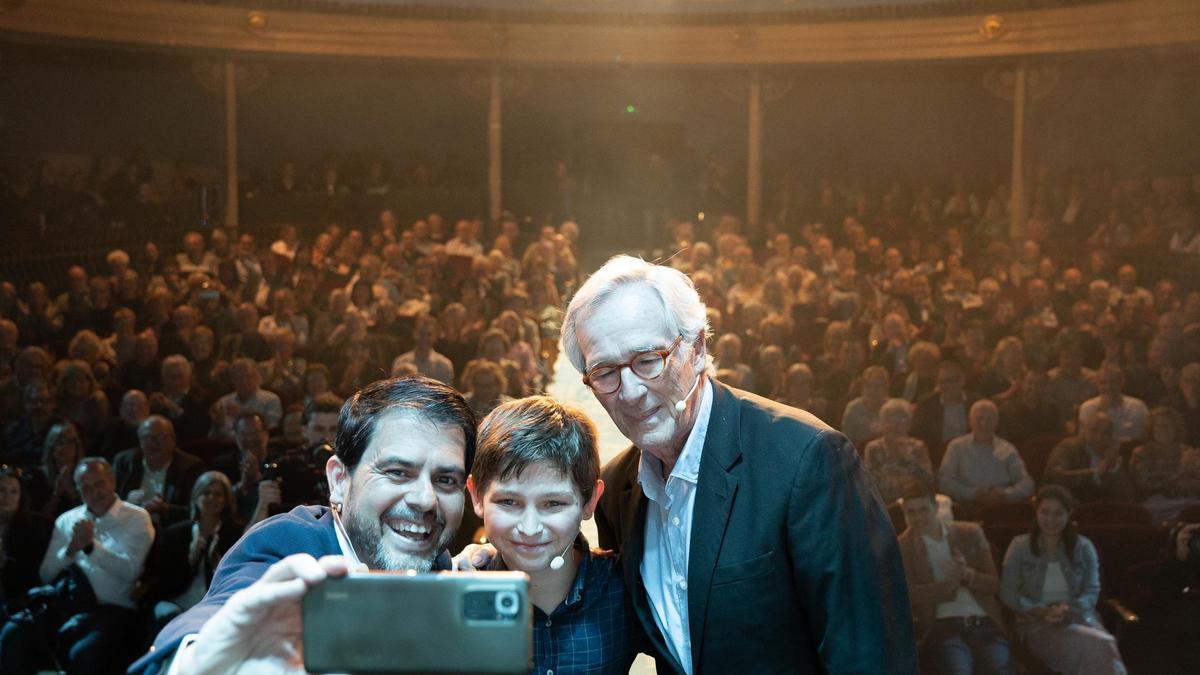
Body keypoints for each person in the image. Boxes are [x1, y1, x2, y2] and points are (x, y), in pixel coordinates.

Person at [556, 255, 915, 673]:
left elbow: (870, 656)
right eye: (604, 372)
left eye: (648, 360)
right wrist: (495, 563)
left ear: (698, 346)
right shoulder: (618, 488)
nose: (630, 391)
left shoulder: (808, 459)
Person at [131, 376, 476, 675]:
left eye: (446, 480)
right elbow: (219, 614)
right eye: (398, 472)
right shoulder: (288, 544)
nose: (426, 500)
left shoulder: (440, 564)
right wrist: (201, 661)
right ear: (339, 480)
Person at [466, 396, 637, 673]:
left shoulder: (623, 589)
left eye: (553, 504)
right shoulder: (456, 594)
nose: (530, 528)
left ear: (590, 501)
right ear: (477, 496)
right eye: (508, 502)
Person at [0, 457, 154, 674]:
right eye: (86, 487)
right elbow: (46, 575)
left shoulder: (136, 518)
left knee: (84, 652)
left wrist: (91, 546)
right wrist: (71, 549)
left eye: (99, 484)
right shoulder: (67, 520)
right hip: (65, 606)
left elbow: (130, 572)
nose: (94, 492)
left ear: (112, 481)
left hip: (112, 610)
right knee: (13, 631)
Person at [999, 485, 1128, 675]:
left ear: (1069, 515)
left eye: (1058, 514)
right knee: (1102, 645)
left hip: (1081, 619)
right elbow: (1008, 594)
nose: (1050, 520)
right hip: (1038, 624)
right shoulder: (1019, 546)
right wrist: (1042, 611)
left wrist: (1068, 609)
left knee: (1103, 648)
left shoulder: (1084, 547)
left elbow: (1091, 592)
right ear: (1036, 513)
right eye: (1045, 512)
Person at [898, 480, 1014, 674]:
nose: (918, 518)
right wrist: (949, 586)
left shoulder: (970, 532)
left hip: (984, 622)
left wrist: (967, 575)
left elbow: (994, 584)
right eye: (911, 512)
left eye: (923, 510)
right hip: (942, 627)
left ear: (935, 508)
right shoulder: (902, 546)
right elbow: (908, 594)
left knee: (1000, 670)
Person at [146, 471, 242, 633]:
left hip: (215, 602)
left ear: (226, 501)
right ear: (196, 497)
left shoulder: (234, 534)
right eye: (206, 493)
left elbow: (237, 579)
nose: (211, 498)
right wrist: (191, 560)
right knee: (167, 616)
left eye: (218, 494)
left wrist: (216, 566)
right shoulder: (174, 534)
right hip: (177, 600)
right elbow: (163, 582)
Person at [938, 399, 1035, 512]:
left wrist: (1005, 494)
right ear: (970, 421)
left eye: (989, 419)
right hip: (967, 509)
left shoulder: (1008, 449)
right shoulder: (956, 447)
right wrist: (973, 494)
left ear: (996, 422)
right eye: (979, 419)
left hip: (1002, 508)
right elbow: (944, 481)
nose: (984, 424)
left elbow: (1027, 483)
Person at [114, 416, 205, 529]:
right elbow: (109, 502)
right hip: (128, 527)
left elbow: (198, 510)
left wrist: (165, 509)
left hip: (169, 531)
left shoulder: (190, 467)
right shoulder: (124, 462)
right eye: (148, 437)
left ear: (173, 440)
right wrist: (126, 503)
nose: (154, 443)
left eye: (161, 437)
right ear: (140, 441)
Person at [1045, 411, 1137, 503]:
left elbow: (1128, 497)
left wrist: (1114, 470)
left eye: (1105, 433)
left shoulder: (1112, 454)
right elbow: (1054, 477)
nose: (1099, 437)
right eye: (1094, 430)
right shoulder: (1068, 447)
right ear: (1084, 429)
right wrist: (1094, 474)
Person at [0, 466, 52, 617]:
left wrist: (6, 564)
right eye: (2, 490)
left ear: (20, 496)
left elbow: (36, 573)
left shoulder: (35, 526)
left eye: (13, 491)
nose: (7, 496)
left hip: (20, 601)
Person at [863, 399, 934, 504]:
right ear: (882, 424)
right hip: (883, 503)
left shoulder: (918, 447)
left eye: (900, 422)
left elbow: (928, 480)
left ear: (908, 425)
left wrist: (909, 459)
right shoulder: (873, 448)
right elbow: (869, 482)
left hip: (913, 502)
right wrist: (904, 481)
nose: (894, 427)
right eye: (889, 421)